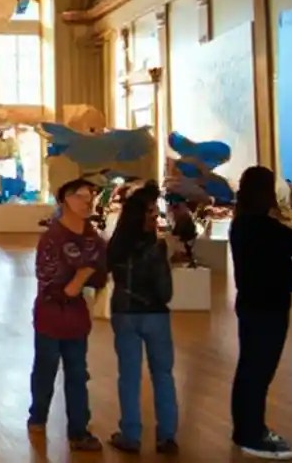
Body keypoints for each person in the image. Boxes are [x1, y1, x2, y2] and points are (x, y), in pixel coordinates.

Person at [230, 166, 292, 460]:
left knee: (249, 369)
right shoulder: (261, 225)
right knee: (258, 371)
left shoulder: (243, 223)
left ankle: (246, 429)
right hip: (268, 307)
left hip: (252, 303)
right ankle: (251, 433)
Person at [28, 177, 108, 452]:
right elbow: (52, 283)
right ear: (65, 201)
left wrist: (83, 278)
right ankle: (37, 415)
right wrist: (82, 275)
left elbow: (101, 275)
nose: (87, 202)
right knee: (45, 370)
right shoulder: (52, 238)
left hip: (76, 318)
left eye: (91, 196)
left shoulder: (93, 238)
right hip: (51, 316)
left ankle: (78, 430)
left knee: (77, 373)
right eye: (80, 196)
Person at [106, 182, 179, 455]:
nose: (155, 217)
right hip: (156, 316)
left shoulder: (117, 246)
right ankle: (167, 435)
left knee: (129, 375)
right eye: (152, 213)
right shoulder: (155, 249)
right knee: (162, 374)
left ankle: (131, 434)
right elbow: (166, 292)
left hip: (124, 312)